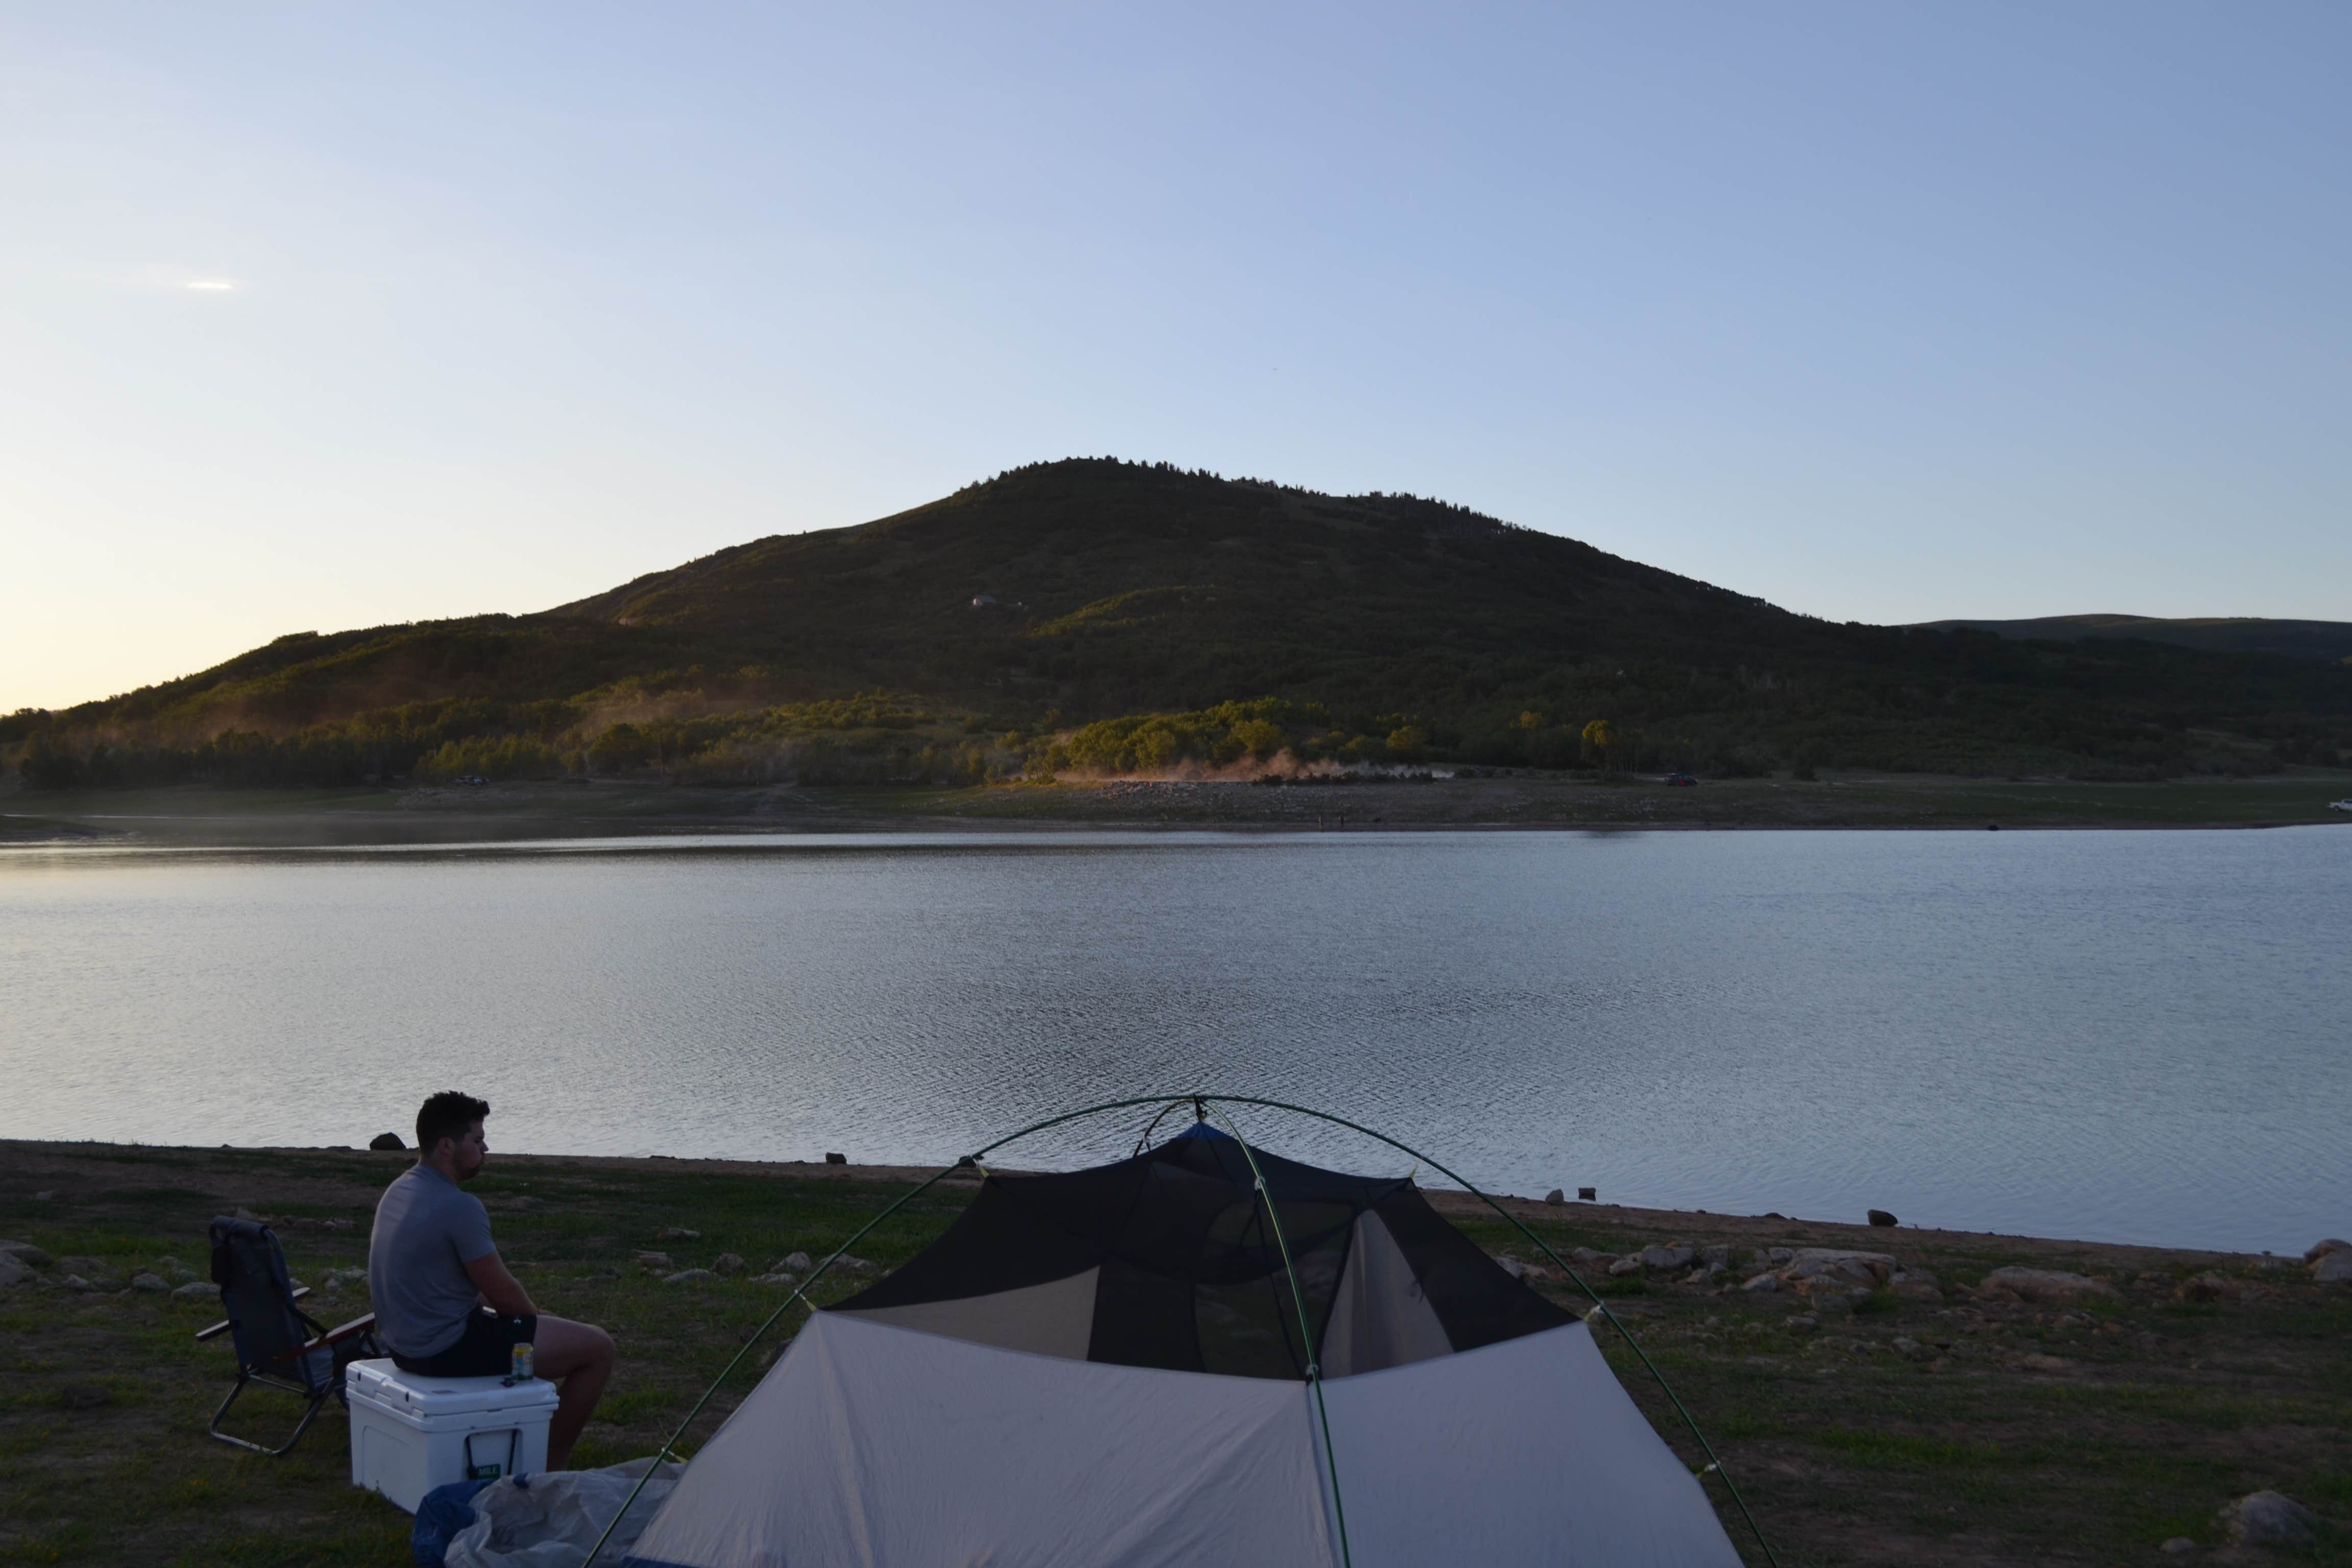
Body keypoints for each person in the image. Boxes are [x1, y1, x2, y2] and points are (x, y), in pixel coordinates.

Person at [368, 1091, 615, 1470]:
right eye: (478, 1140)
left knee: (544, 1328)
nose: (486, 1149)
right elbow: (506, 1297)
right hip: (443, 1349)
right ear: (448, 1146)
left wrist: (531, 1321)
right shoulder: (459, 1206)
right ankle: (550, 1463)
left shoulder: (399, 1190)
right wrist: (533, 1319)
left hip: (402, 1345)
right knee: (598, 1348)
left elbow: (465, 1284)